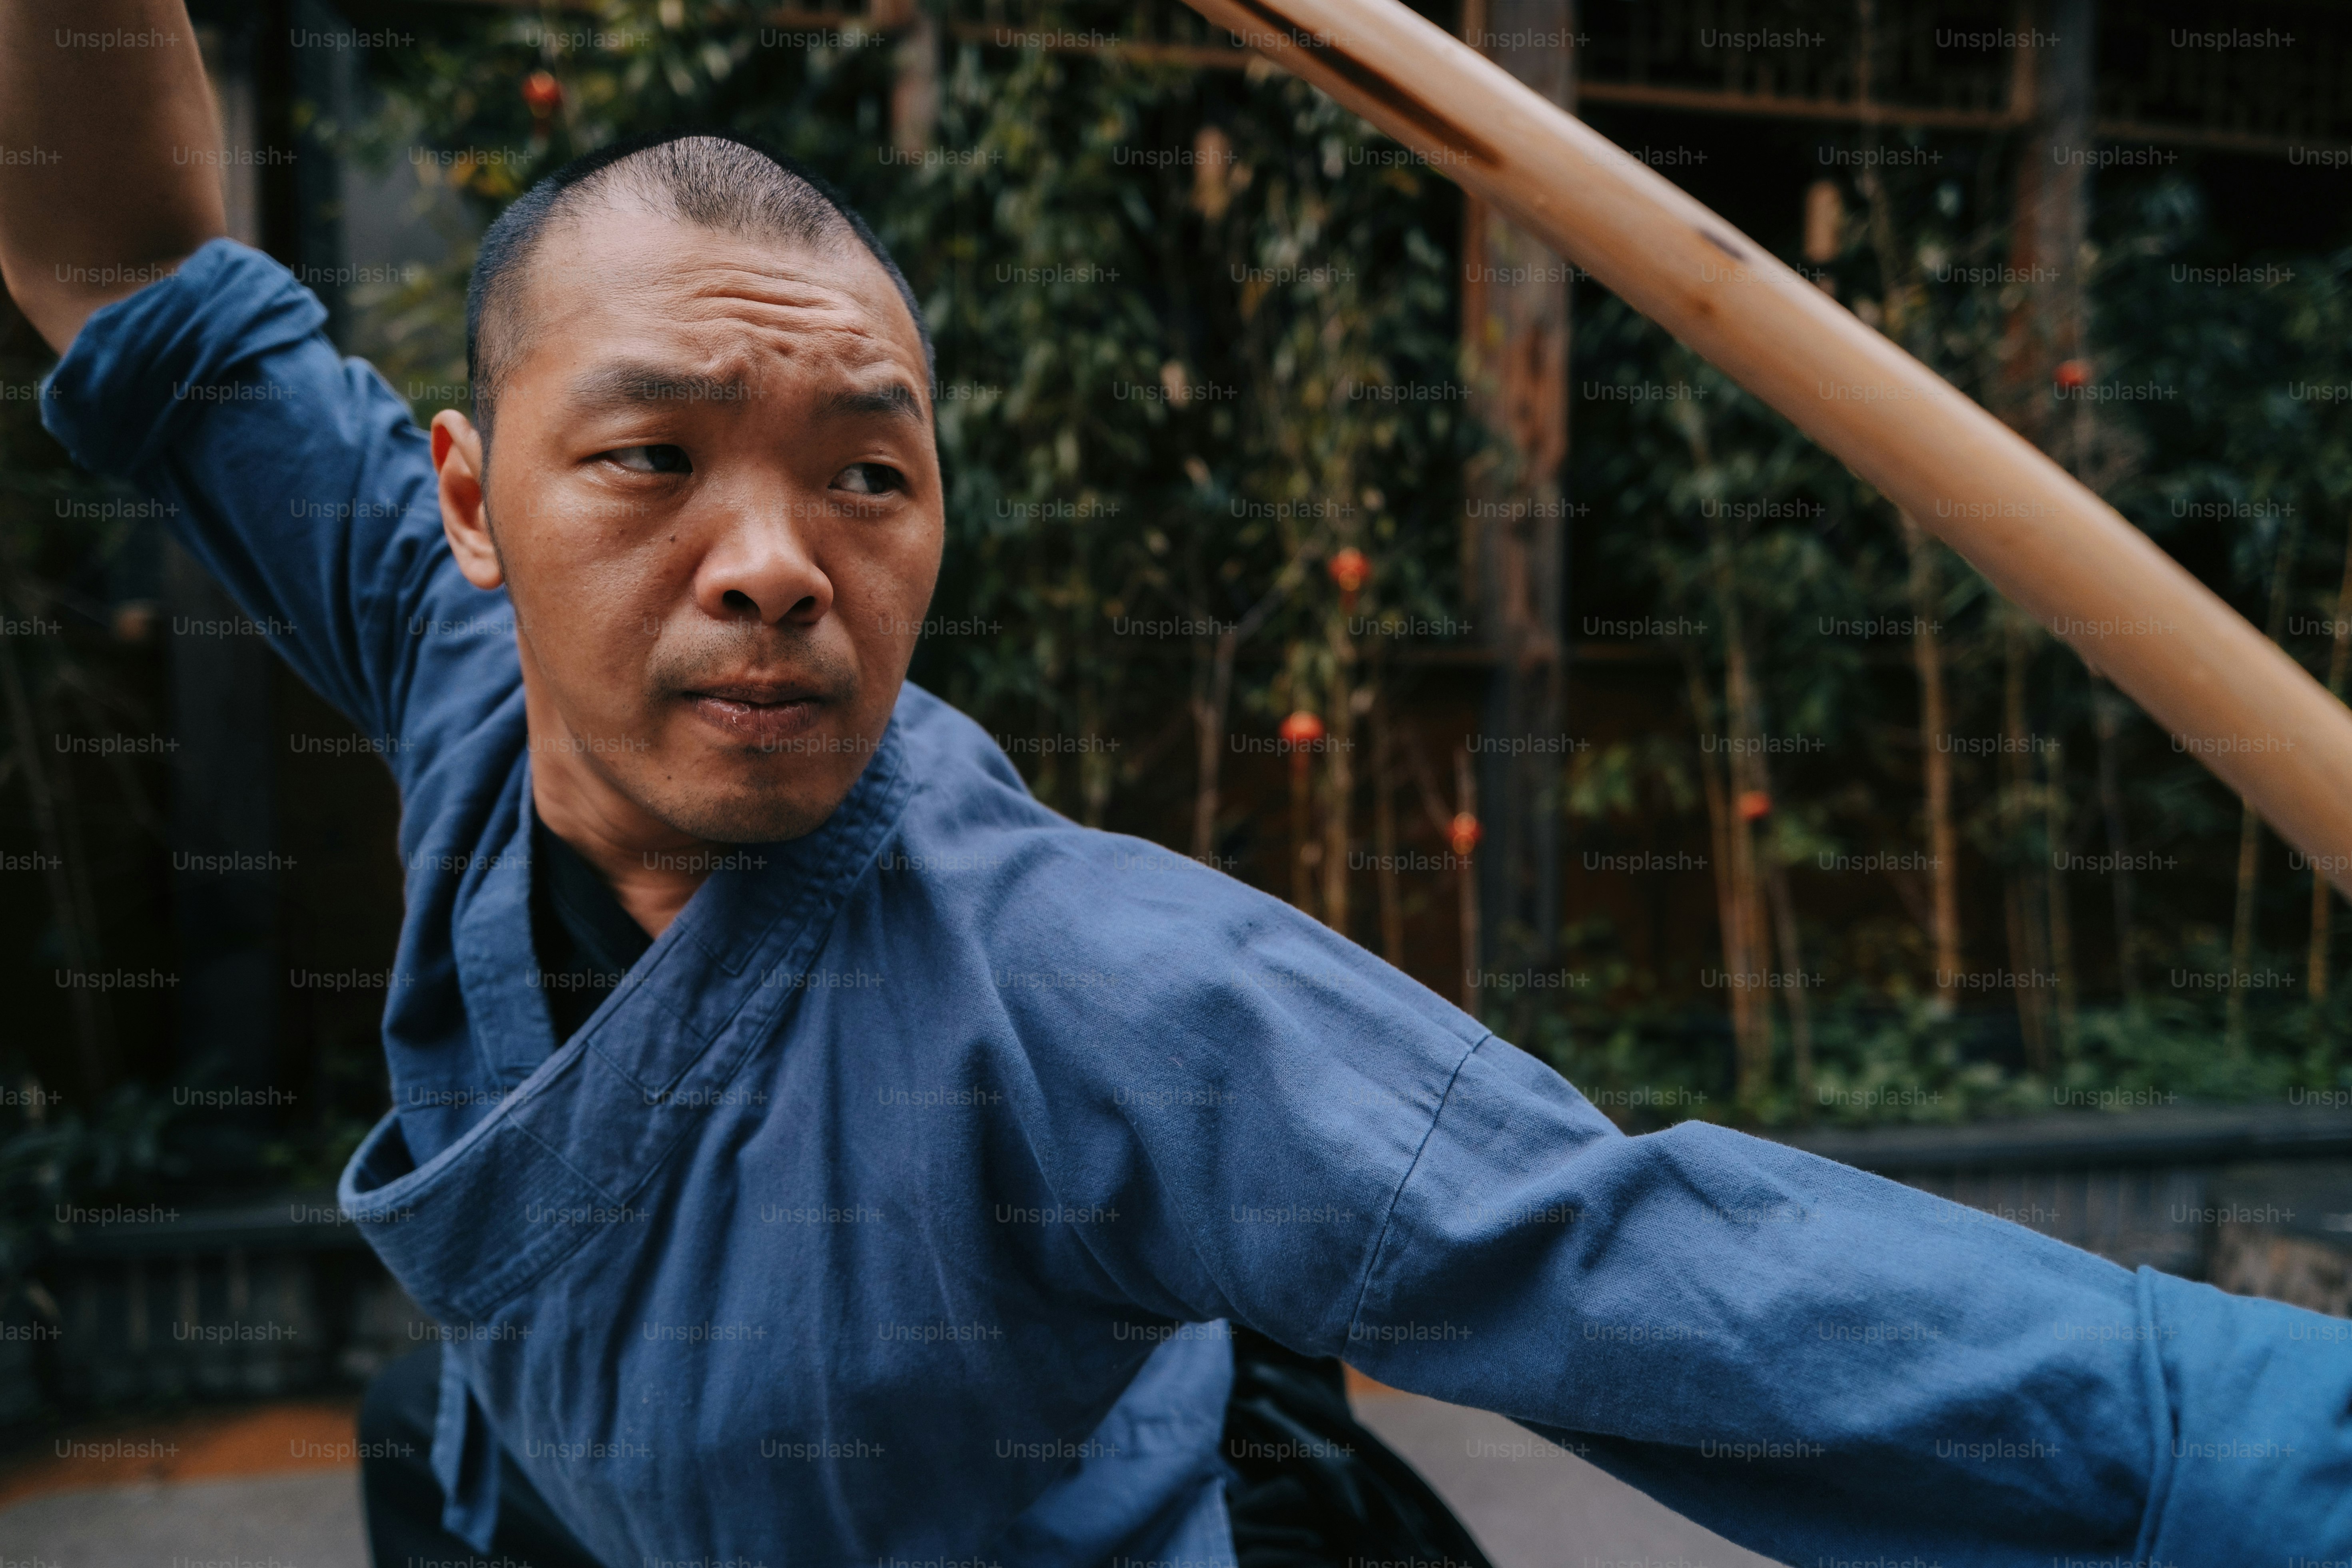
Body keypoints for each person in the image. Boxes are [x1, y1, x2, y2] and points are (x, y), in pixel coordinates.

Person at [5, 6, 2348, 1566]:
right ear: (471, 500)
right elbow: (111, 249)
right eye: (653, 459)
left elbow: (1658, 1260)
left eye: (868, 476)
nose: (774, 567)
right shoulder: (459, 662)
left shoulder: (1093, 985)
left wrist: (2290, 1445)